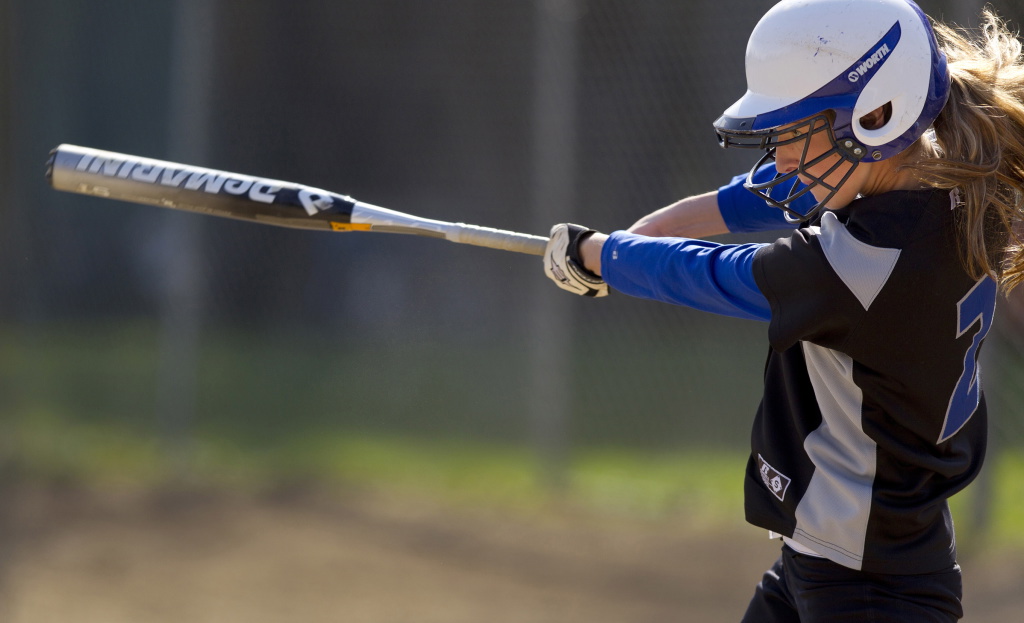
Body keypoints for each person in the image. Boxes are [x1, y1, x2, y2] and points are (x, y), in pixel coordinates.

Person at [542, 1, 1024, 621]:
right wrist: (635, 241)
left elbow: (712, 275)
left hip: (870, 587)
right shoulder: (954, 180)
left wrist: (601, 254)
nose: (785, 159)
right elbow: (761, 195)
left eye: (798, 134)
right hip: (842, 555)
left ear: (878, 115)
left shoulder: (856, 267)